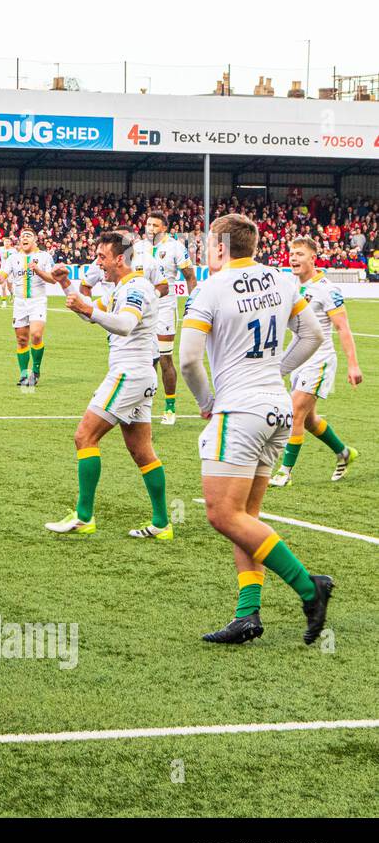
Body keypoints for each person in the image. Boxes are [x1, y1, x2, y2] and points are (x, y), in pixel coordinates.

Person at [178, 214, 333, 645]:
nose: (206, 250)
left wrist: (207, 402)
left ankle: (308, 587)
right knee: (246, 518)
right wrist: (275, 370)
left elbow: (188, 359)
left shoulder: (209, 289)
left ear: (222, 247)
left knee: (222, 514)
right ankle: (247, 615)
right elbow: (314, 336)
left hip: (239, 411)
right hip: (277, 409)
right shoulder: (282, 281)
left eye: (209, 244)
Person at [46, 233, 171, 538]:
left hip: (129, 373)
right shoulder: (122, 288)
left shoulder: (137, 288)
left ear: (119, 258)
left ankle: (84, 516)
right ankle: (162, 523)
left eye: (102, 257)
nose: (98, 263)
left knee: (84, 436)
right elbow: (91, 314)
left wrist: (88, 310)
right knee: (142, 451)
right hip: (137, 374)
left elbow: (125, 325)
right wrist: (66, 286)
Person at [269, 237, 362, 487]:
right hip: (297, 357)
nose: (294, 258)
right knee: (309, 420)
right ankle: (344, 452)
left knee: (294, 412)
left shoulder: (326, 289)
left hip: (319, 359)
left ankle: (285, 473)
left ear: (313, 257)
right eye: (291, 253)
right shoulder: (291, 284)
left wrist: (353, 364)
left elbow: (343, 327)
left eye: (300, 254)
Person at [140, 211, 197, 425]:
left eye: (155, 225)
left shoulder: (175, 247)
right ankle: (143, 403)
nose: (150, 228)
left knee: (164, 359)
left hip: (164, 308)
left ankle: (170, 408)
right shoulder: (139, 247)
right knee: (145, 359)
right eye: (148, 224)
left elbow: (190, 277)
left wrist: (194, 303)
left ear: (164, 228)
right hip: (142, 309)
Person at [0, 228, 55, 387]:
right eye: (22, 236)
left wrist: (38, 270)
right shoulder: (13, 258)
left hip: (37, 301)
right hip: (20, 303)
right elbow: (3, 278)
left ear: (35, 240)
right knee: (21, 339)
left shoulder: (44, 257)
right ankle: (23, 374)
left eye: (28, 236)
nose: (24, 238)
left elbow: (53, 279)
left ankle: (35, 370)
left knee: (36, 334)